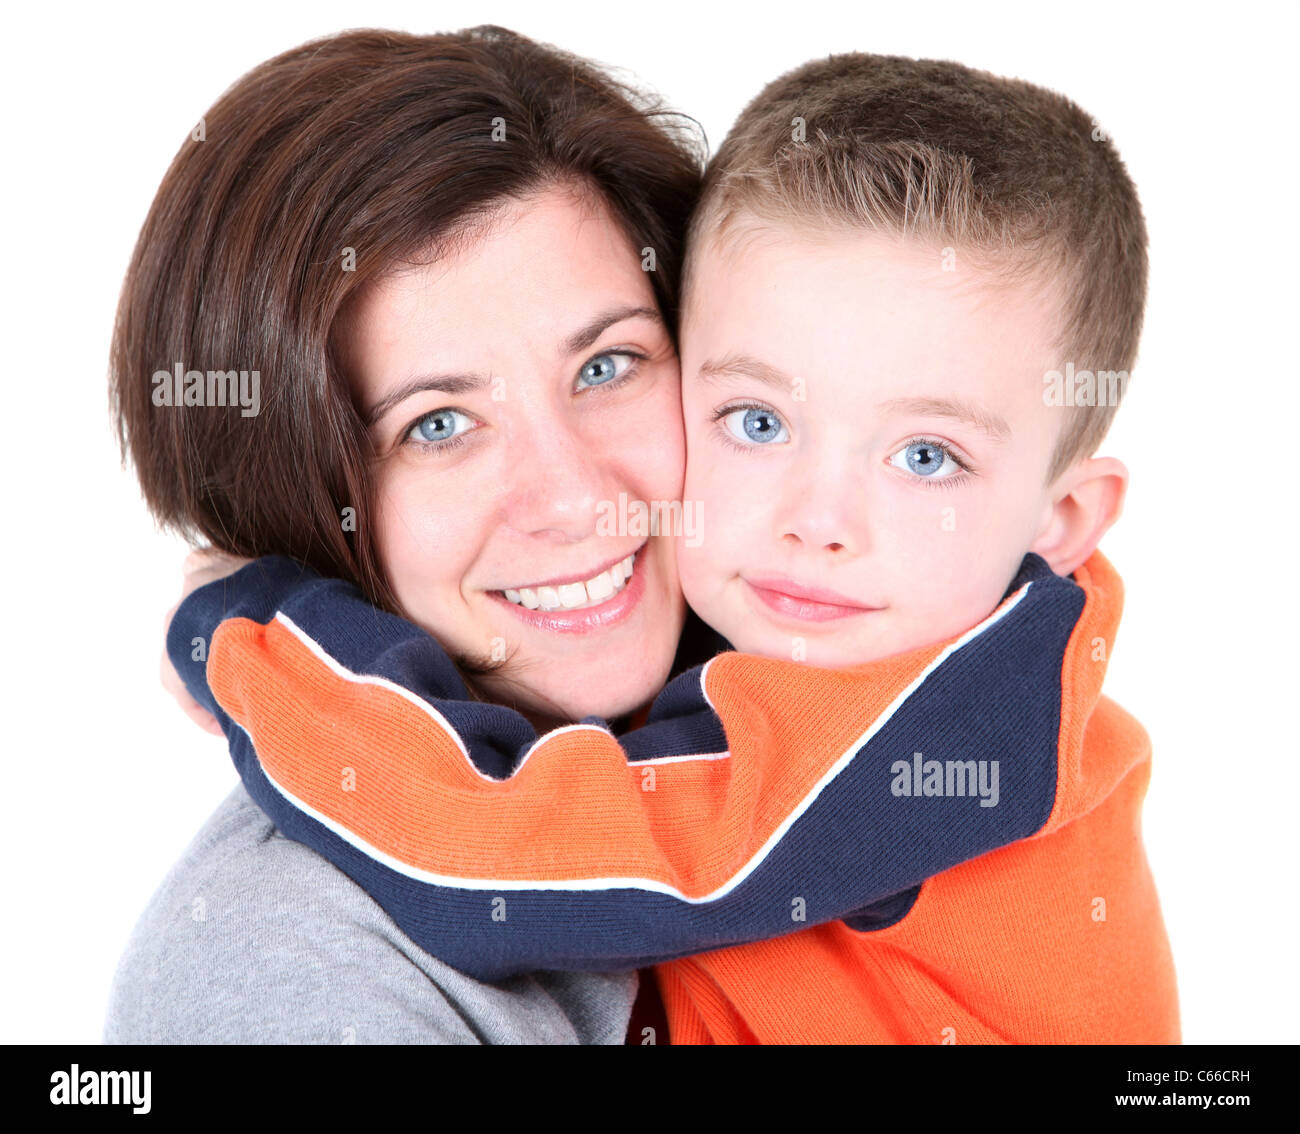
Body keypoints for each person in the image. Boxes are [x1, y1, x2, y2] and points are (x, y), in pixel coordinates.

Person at [161, 53, 1179, 1042]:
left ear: (1064, 521)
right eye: (759, 421)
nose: (816, 521)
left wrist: (253, 632)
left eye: (924, 454)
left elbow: (494, 847)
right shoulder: (289, 951)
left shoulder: (949, 725)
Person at [104, 25, 707, 1044]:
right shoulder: (287, 963)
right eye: (435, 425)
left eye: (607, 364)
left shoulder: (824, 704)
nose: (572, 496)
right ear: (288, 498)